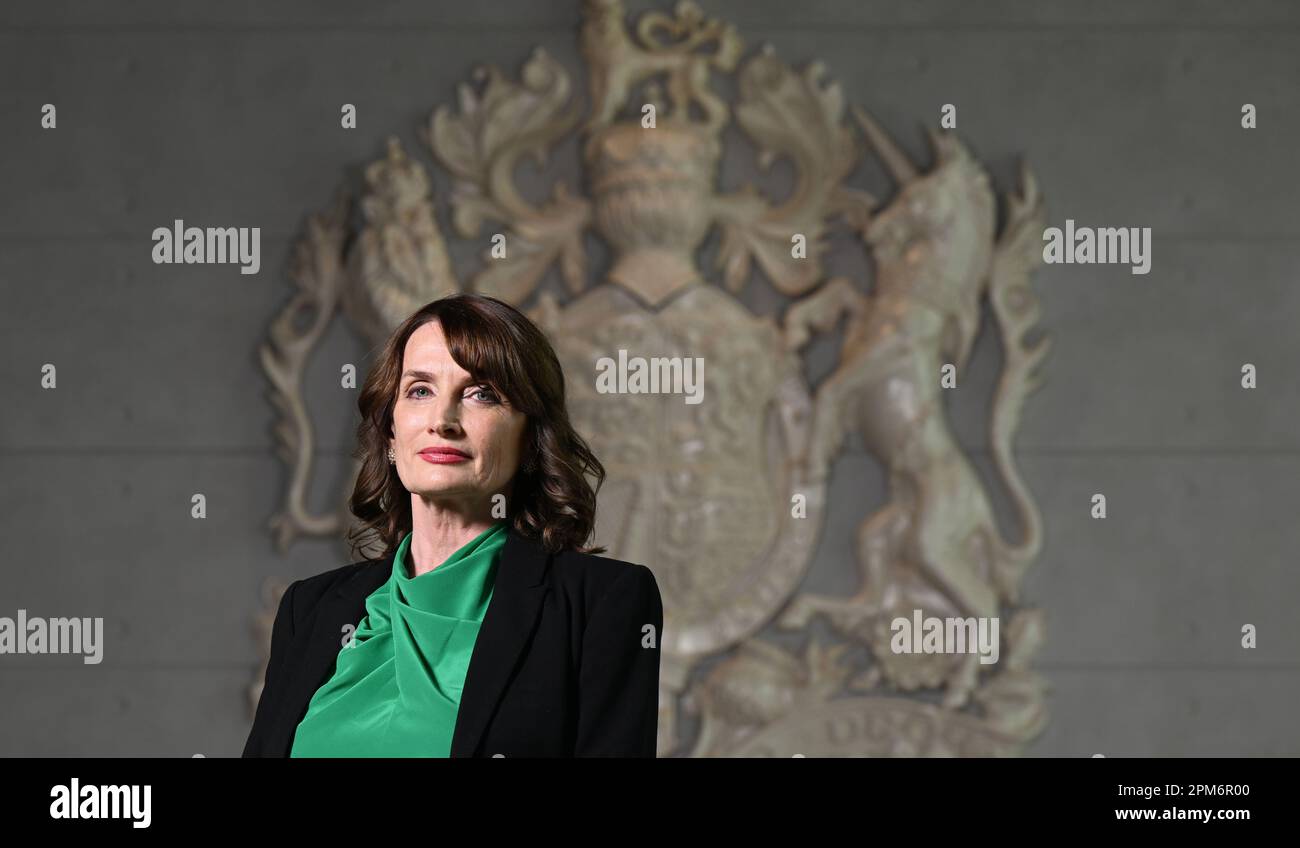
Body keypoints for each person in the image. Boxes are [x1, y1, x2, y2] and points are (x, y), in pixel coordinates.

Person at [242, 293, 663, 757]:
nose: (443, 421)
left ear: (530, 437)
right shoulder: (310, 608)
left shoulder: (602, 602)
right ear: (389, 433)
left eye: (482, 394)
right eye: (419, 390)